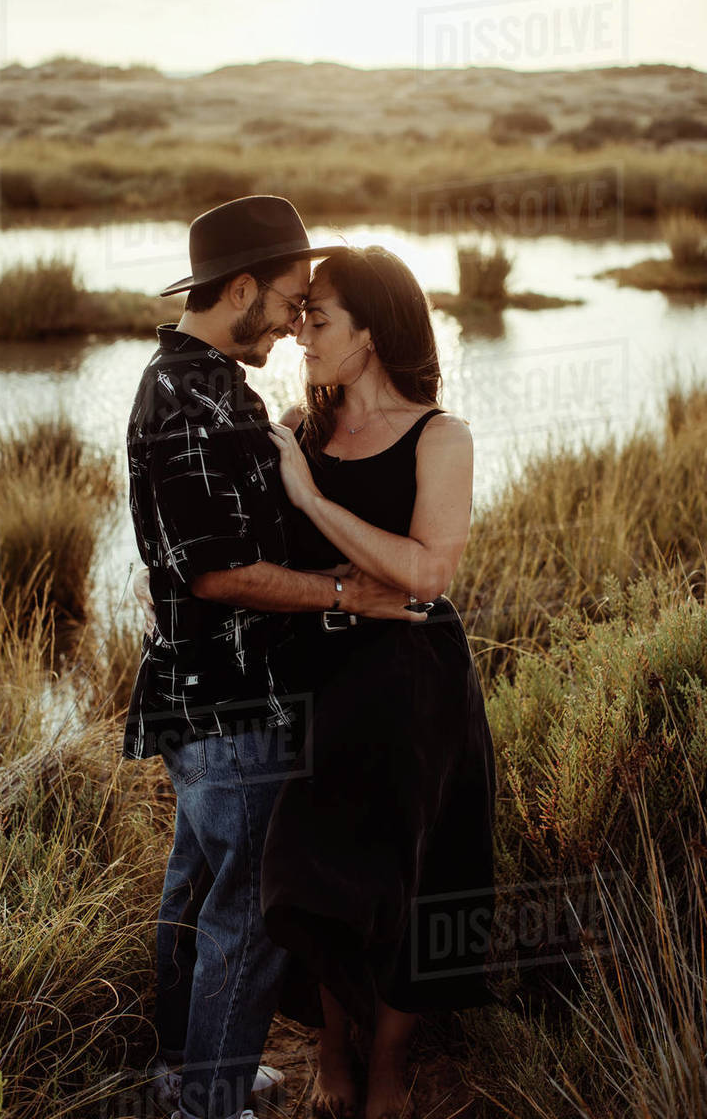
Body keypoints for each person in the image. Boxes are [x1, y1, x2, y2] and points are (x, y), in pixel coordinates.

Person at [123, 198, 428, 1119]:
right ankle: (209, 1103)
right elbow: (218, 574)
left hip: (203, 693)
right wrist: (345, 593)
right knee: (248, 915)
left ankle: (184, 1066)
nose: (298, 320)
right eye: (292, 300)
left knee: (199, 883)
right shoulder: (189, 398)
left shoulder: (203, 382)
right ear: (243, 289)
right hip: (228, 704)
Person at [258, 245, 499, 1119]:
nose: (299, 334)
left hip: (412, 682)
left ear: (371, 331)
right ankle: (329, 1039)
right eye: (300, 317)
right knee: (311, 875)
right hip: (317, 669)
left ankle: (390, 1060)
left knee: (416, 871)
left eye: (317, 320)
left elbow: (427, 574)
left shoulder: (443, 436)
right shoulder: (300, 429)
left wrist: (315, 501)